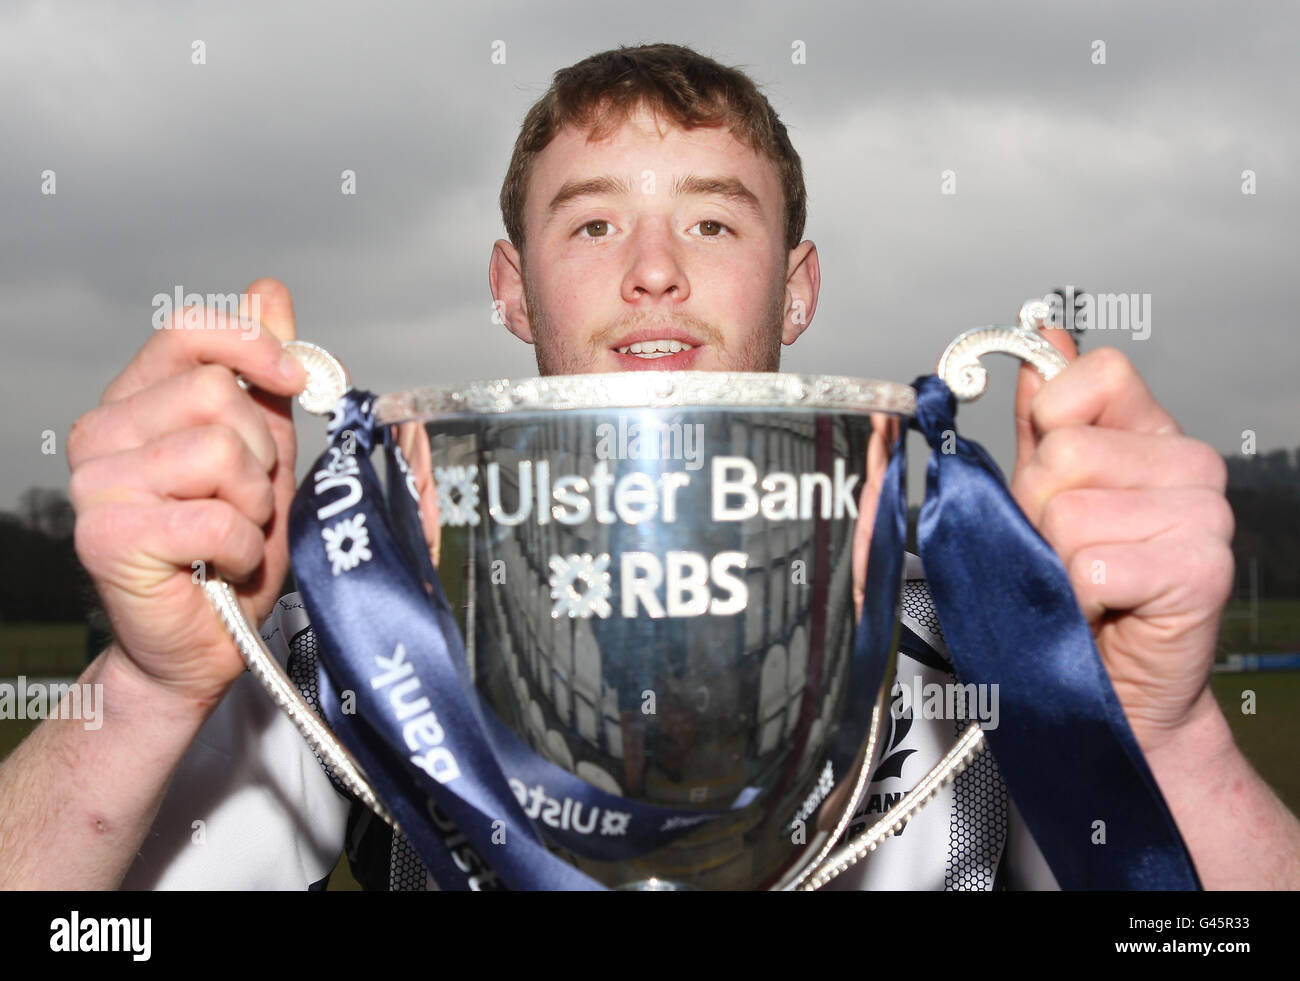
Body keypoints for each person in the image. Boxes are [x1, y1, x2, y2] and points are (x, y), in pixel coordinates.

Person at [2, 42, 1298, 891]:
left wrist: (1165, 729)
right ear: (512, 289)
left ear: (799, 286)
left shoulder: (976, 635)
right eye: (597, 218)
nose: (656, 269)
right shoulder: (368, 620)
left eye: (714, 218)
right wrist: (149, 685)